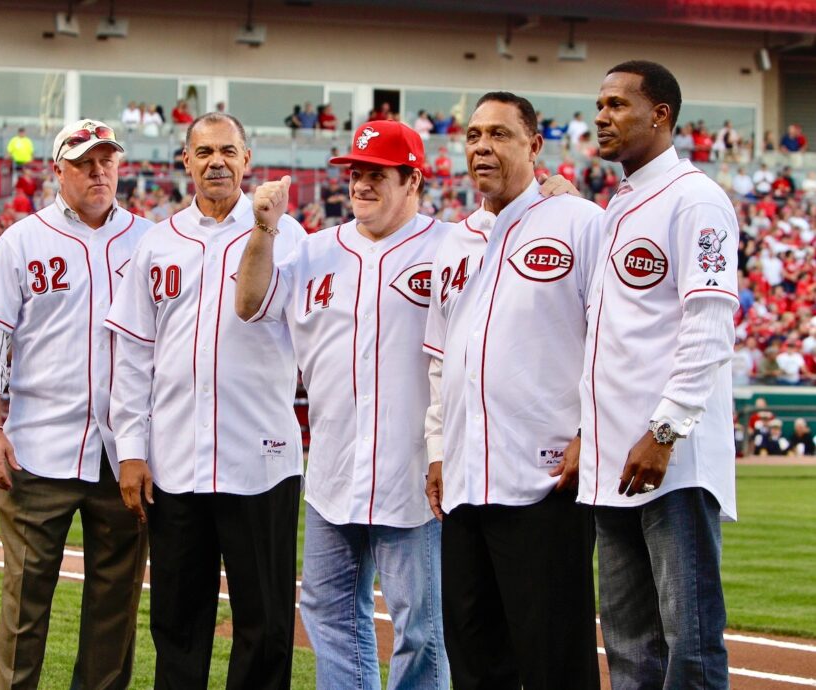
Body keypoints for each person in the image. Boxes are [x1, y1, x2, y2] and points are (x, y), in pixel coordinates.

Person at [235, 119, 451, 689]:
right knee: (328, 613)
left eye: (376, 174)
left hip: (415, 473)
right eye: (355, 172)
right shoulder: (314, 249)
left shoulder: (451, 246)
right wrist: (263, 229)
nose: (360, 184)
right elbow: (251, 303)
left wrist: (557, 199)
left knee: (422, 629)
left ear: (413, 180)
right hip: (334, 467)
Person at [106, 112, 304, 690]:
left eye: (228, 151)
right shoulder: (157, 243)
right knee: (177, 621)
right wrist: (131, 451)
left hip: (260, 459)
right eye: (204, 152)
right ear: (185, 161)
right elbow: (133, 355)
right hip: (176, 461)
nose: (216, 161)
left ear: (247, 160)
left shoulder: (288, 236)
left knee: (265, 625)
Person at [422, 92, 602, 690]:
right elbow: (440, 361)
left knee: (554, 659)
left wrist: (588, 434)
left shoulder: (580, 223)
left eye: (498, 134)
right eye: (473, 135)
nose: (481, 147)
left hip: (546, 479)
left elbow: (610, 341)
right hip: (468, 480)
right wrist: (438, 449)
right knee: (473, 658)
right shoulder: (454, 241)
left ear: (533, 145)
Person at [0, 119, 150, 689]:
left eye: (107, 161)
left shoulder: (151, 239)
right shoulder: (22, 239)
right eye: (84, 162)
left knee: (114, 609)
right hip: (38, 449)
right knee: (24, 608)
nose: (98, 172)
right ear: (58, 171)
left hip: (125, 452)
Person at [580, 60, 737, 690]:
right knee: (627, 647)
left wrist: (665, 431)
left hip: (669, 462)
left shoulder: (696, 198)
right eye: (600, 104)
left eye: (618, 104)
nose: (602, 116)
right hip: (613, 461)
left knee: (690, 645)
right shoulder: (619, 204)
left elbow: (709, 324)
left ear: (661, 114)